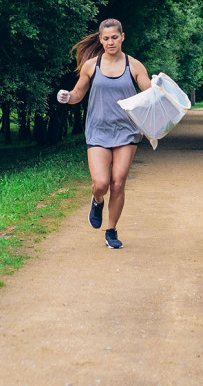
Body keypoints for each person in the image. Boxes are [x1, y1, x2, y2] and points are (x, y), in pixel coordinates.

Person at [57, 18, 151, 249]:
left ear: (122, 37)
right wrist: (67, 97)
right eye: (106, 38)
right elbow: (78, 93)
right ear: (100, 39)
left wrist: (161, 92)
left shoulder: (135, 66)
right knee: (101, 183)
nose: (111, 42)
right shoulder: (91, 65)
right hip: (98, 131)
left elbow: (150, 95)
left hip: (126, 132)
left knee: (118, 183)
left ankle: (111, 231)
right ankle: (97, 200)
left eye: (115, 37)